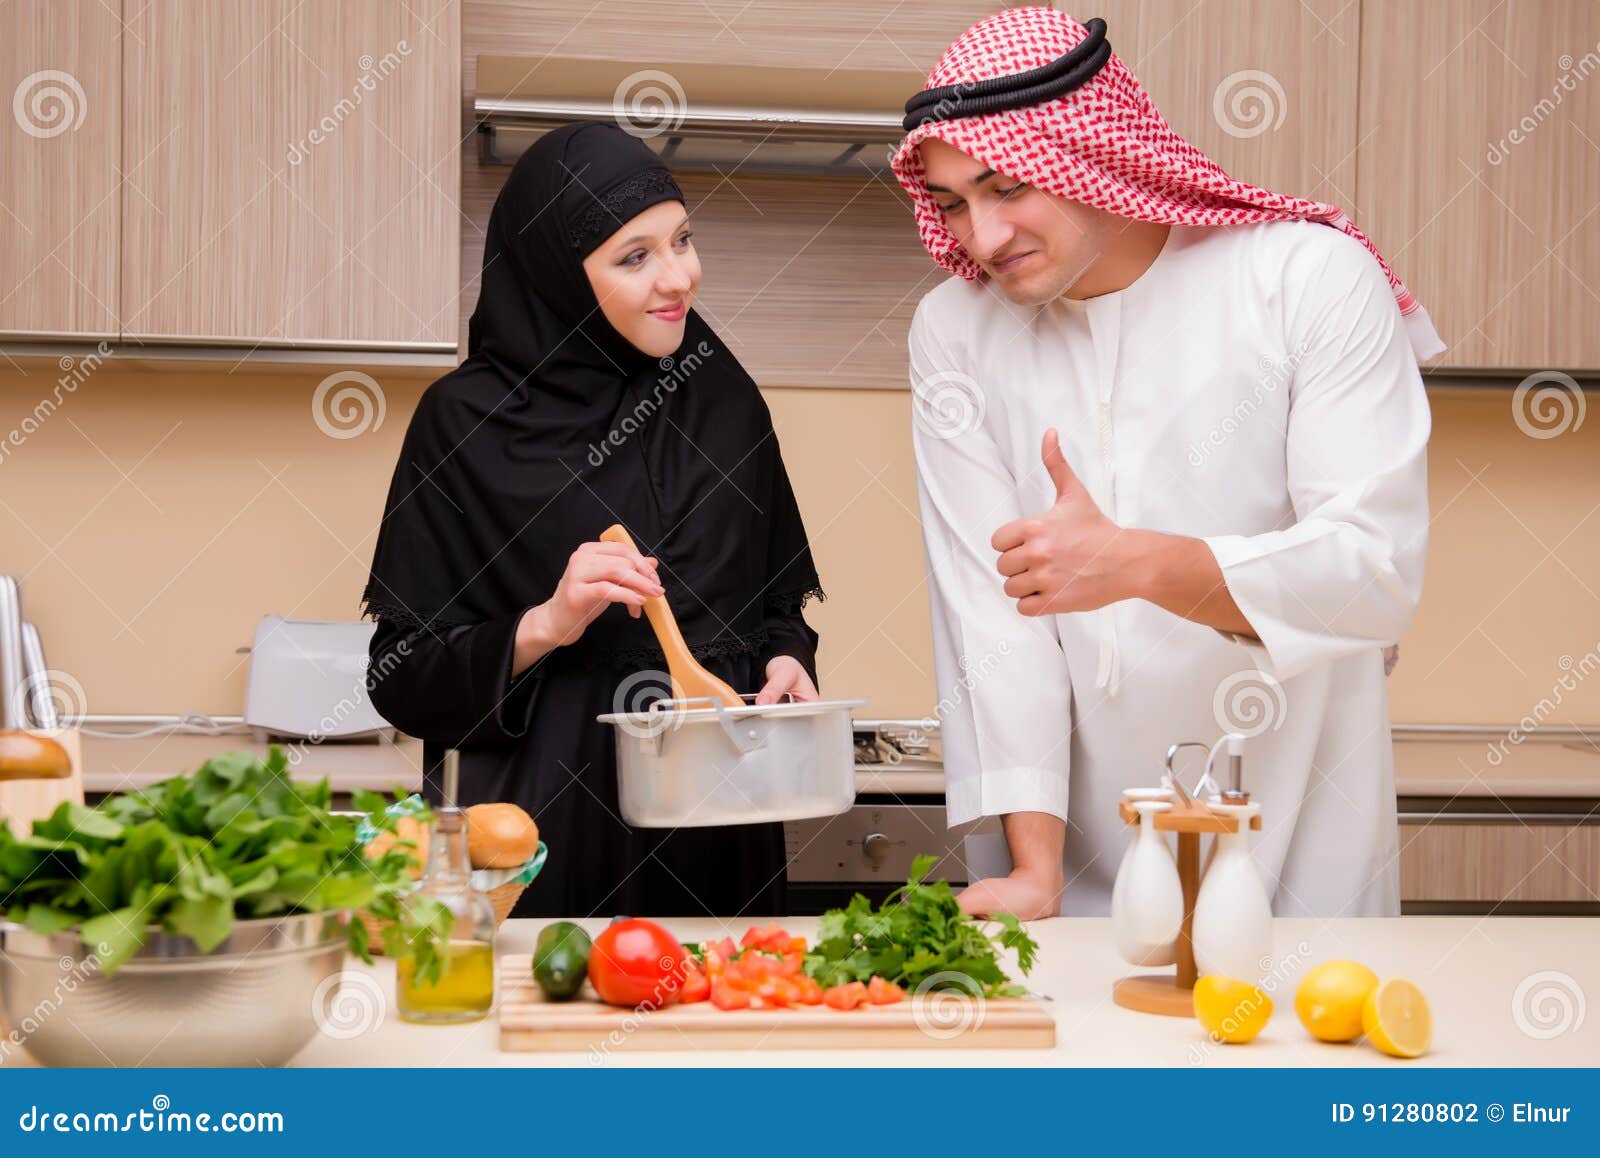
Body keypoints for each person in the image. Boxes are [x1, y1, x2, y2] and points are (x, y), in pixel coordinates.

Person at [891, 9, 1442, 919]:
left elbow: (1372, 576)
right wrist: (1034, 872)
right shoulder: (955, 331)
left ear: (1093, 154)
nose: (982, 238)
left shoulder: (1305, 277)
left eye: (1007, 187)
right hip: (1066, 876)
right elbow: (992, 615)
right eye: (953, 203)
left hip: (1305, 856)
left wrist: (1134, 563)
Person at [360, 123, 823, 918]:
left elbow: (774, 603)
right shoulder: (464, 425)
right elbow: (398, 675)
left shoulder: (725, 399)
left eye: (682, 239)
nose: (678, 278)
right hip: (540, 843)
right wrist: (545, 623)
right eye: (634, 257)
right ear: (556, 277)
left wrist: (786, 663)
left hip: (717, 832)